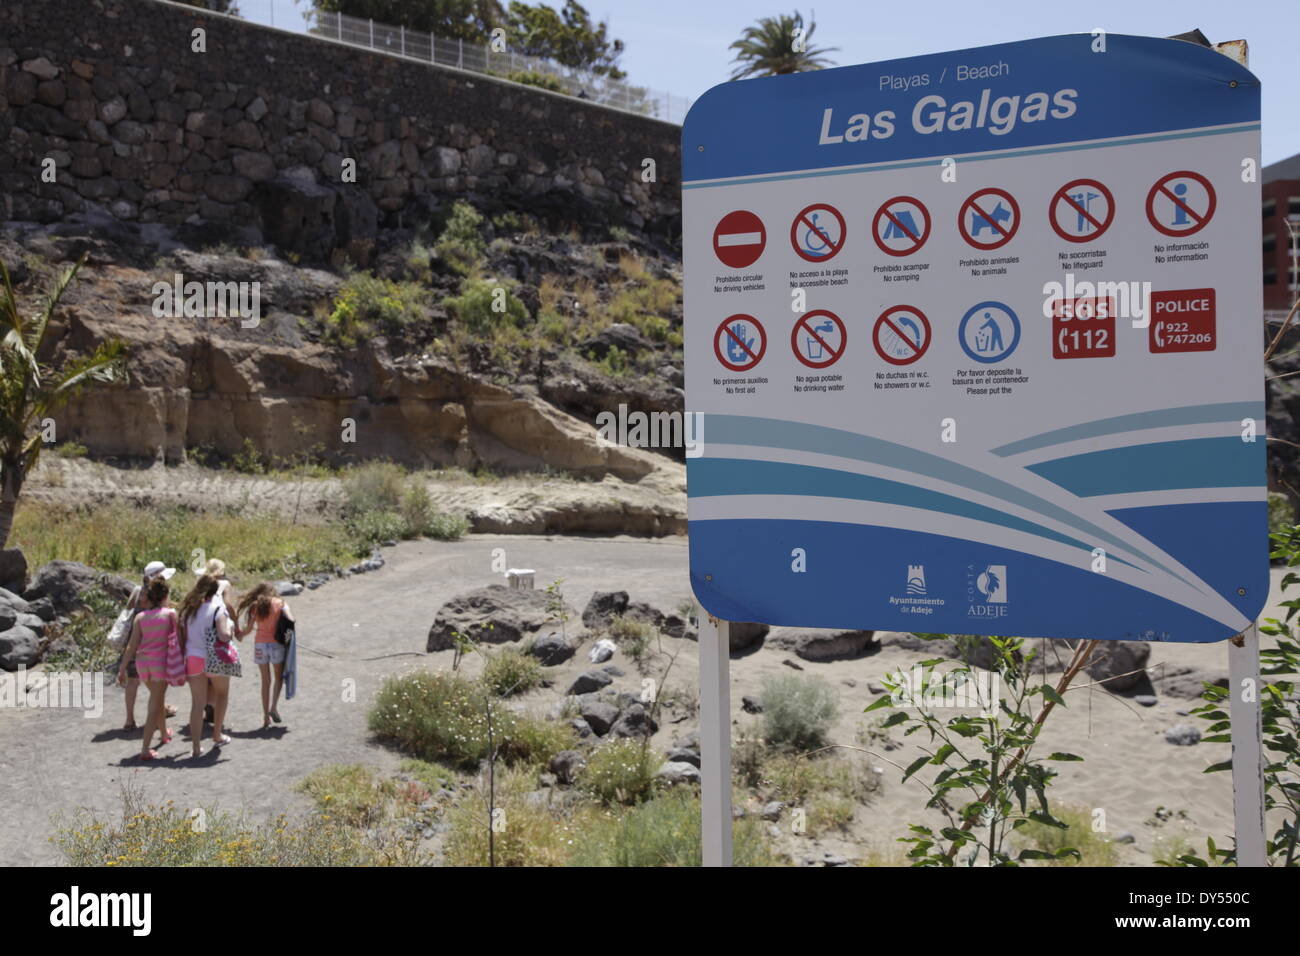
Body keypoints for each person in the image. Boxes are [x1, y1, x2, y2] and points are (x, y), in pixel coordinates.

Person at [177, 573, 242, 755]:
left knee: (197, 704)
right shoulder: (217, 609)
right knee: (222, 695)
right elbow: (224, 635)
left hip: (193, 658)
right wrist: (229, 627)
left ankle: (196, 747)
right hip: (214, 658)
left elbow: (182, 639)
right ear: (214, 592)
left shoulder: (188, 611)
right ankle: (217, 734)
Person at [116, 577, 181, 760]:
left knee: (157, 699)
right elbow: (180, 639)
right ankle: (145, 748)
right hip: (160, 664)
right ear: (165, 595)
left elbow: (131, 645)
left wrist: (122, 669)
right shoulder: (170, 615)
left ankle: (164, 734)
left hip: (142, 664)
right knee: (155, 703)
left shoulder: (140, 617)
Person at [237, 583, 293, 729]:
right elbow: (291, 620)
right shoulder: (281, 603)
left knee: (265, 681)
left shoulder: (255, 606)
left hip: (260, 645)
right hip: (276, 644)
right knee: (278, 677)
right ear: (272, 592)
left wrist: (240, 635)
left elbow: (248, 629)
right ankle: (273, 707)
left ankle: (265, 717)